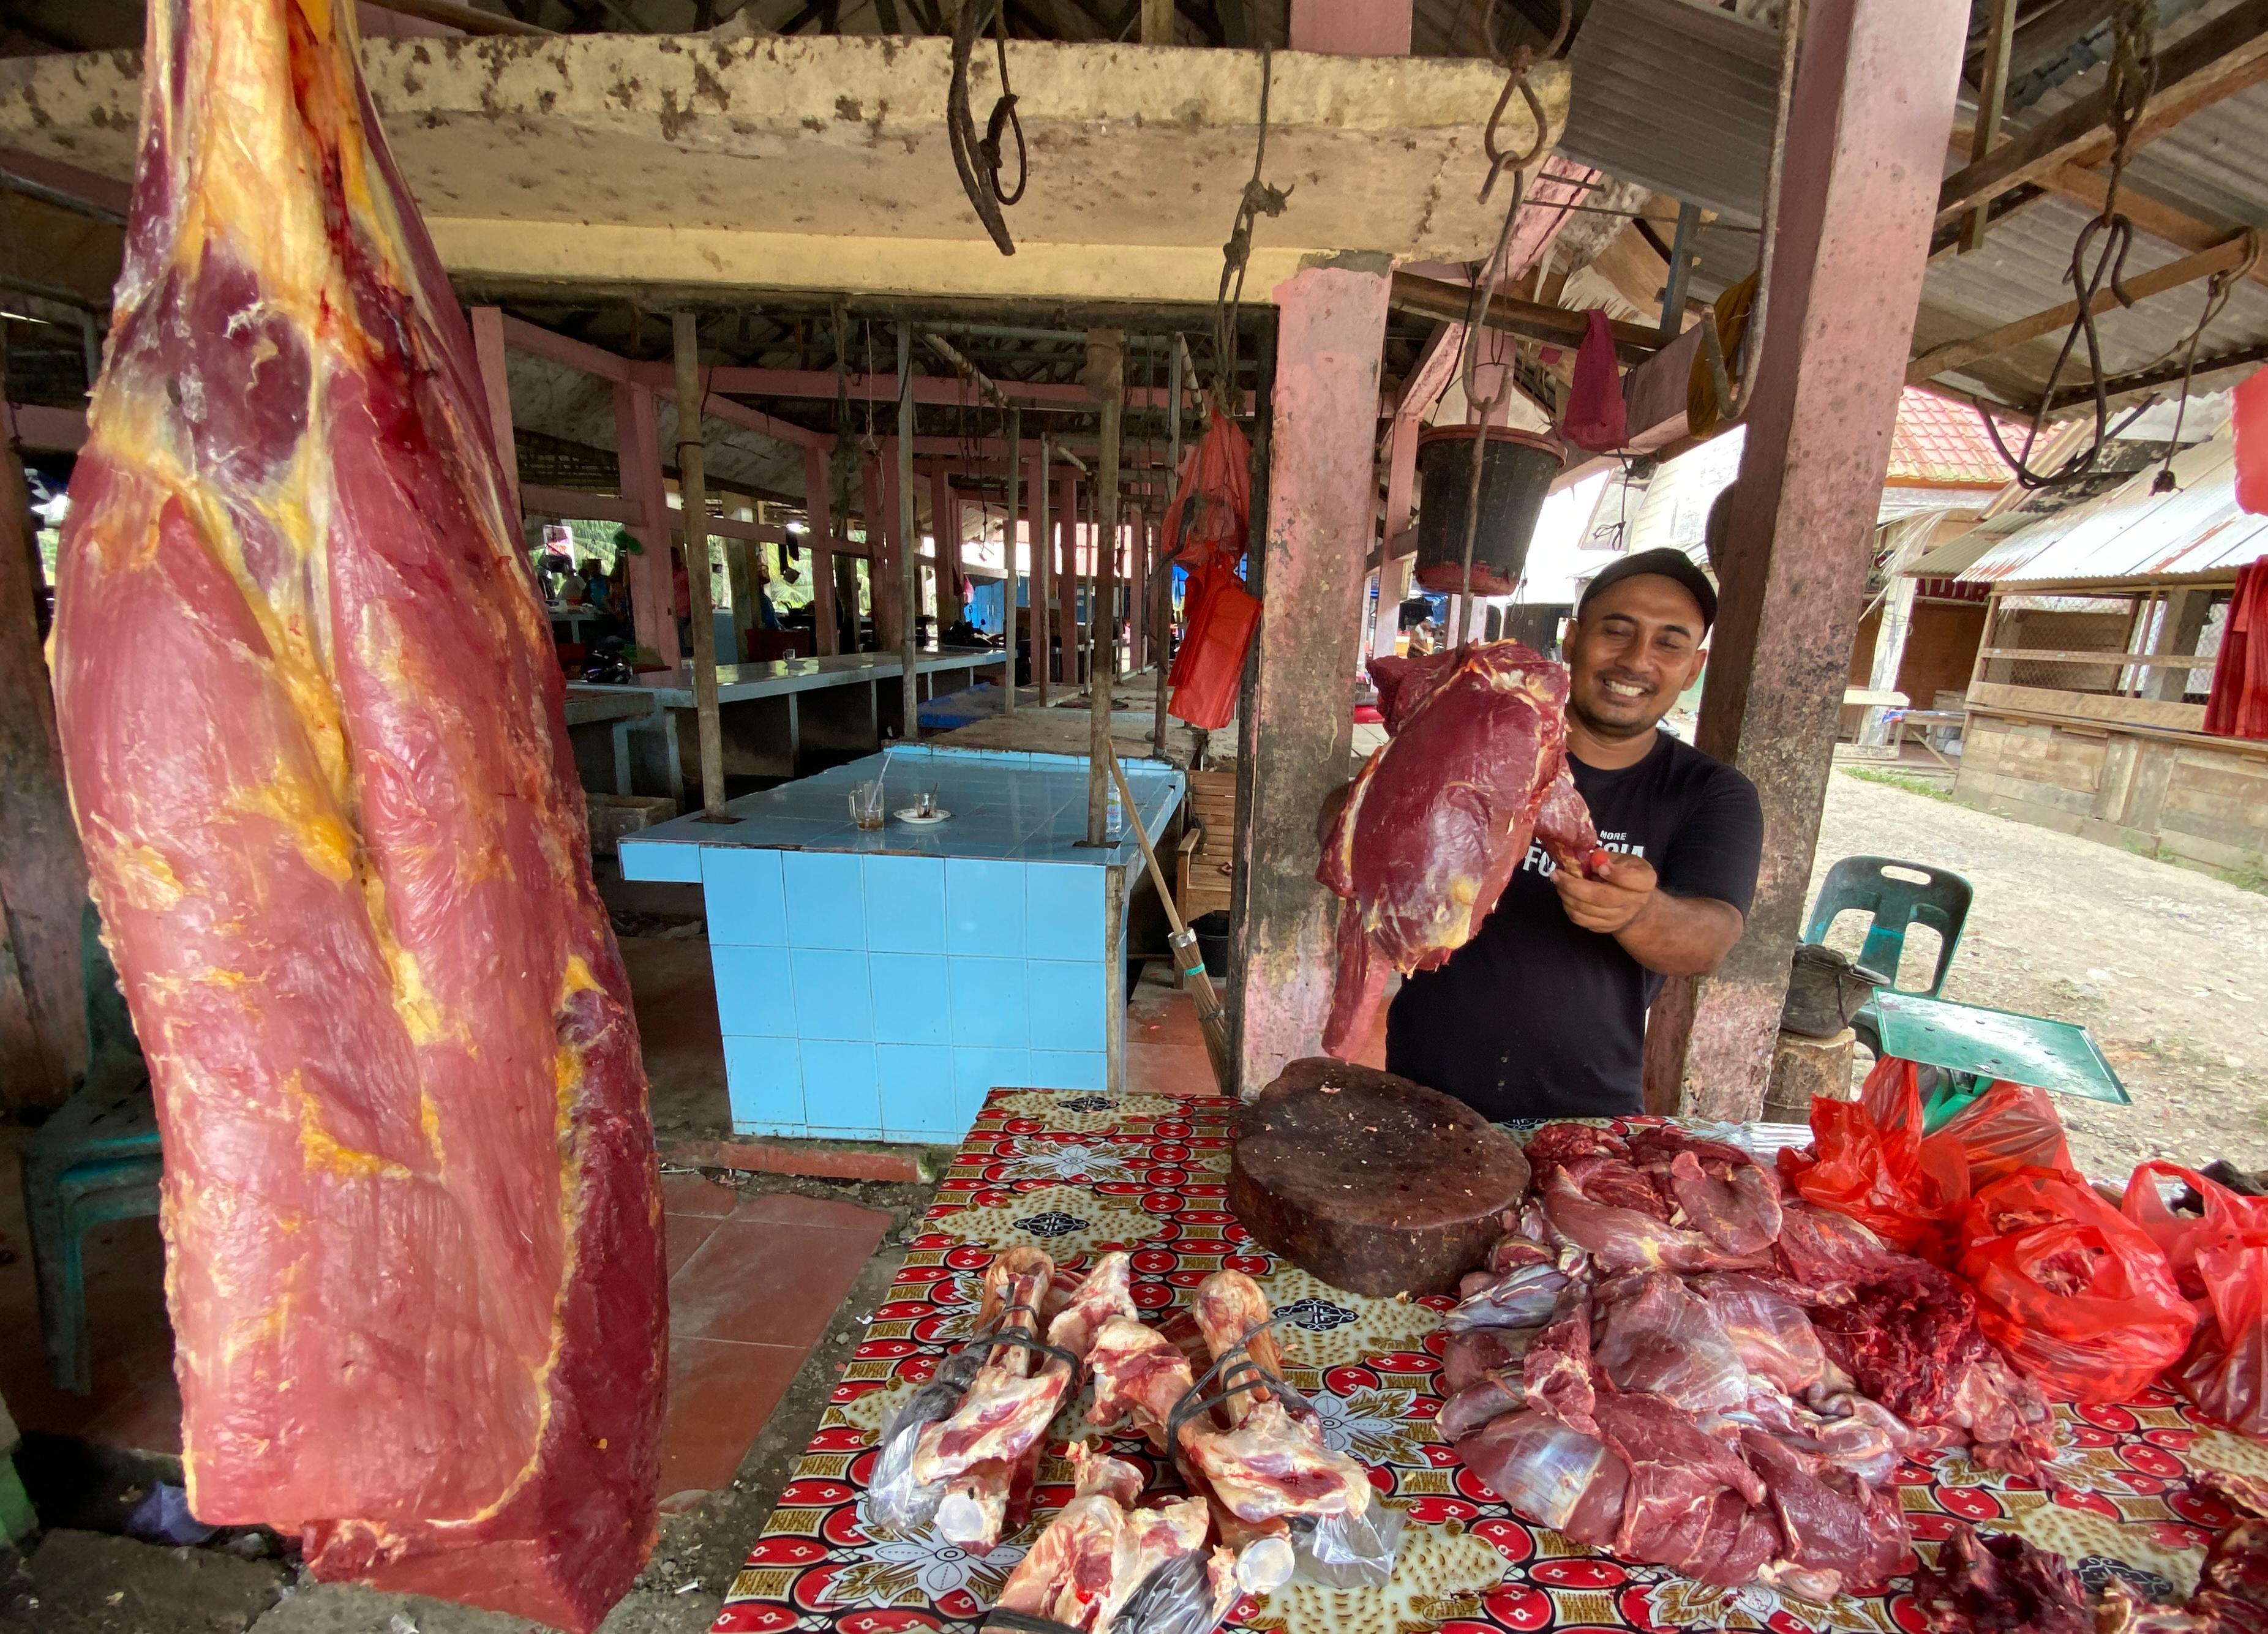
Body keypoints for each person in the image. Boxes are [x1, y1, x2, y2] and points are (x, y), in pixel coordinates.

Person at [1353, 547, 1763, 1121]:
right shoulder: (1474, 746)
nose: (1636, 660)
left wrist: (1635, 911)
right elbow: (1350, 831)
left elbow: (1709, 940)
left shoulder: (1710, 792)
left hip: (1588, 1115)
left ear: (1693, 667)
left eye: (1668, 643)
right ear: (1571, 639)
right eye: (1616, 631)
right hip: (1427, 1098)